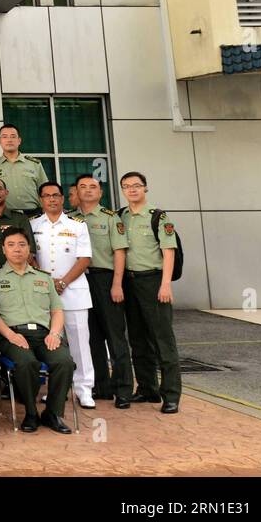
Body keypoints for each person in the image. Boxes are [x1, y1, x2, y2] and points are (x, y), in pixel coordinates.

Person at [0, 230, 74, 433]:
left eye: (22, 244)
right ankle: (31, 413)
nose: (17, 249)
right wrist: (11, 335)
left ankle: (53, 413)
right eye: (11, 244)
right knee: (27, 363)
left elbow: (57, 310)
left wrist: (54, 333)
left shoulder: (44, 277)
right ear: (3, 249)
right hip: (11, 335)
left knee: (64, 361)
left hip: (44, 335)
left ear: (29, 248)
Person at [117, 171, 181, 414]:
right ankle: (147, 388)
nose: (132, 190)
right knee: (138, 338)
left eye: (136, 186)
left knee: (162, 339)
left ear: (145, 188)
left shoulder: (158, 217)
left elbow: (169, 252)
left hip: (153, 281)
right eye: (127, 186)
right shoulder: (121, 216)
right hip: (130, 283)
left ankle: (171, 395)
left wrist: (166, 284)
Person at [30, 181, 95, 408]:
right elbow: (31, 258)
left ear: (63, 198)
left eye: (56, 195)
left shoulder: (77, 225)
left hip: (74, 291)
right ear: (41, 200)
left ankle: (84, 388)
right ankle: (58, 389)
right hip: (45, 293)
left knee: (79, 343)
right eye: (46, 196)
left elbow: (85, 258)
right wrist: (49, 284)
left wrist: (64, 282)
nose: (52, 199)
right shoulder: (34, 225)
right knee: (53, 343)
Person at [71, 174, 132, 408]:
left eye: (93, 187)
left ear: (101, 192)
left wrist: (117, 284)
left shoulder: (110, 218)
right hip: (80, 280)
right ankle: (101, 386)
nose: (87, 190)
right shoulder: (71, 219)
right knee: (92, 337)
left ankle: (124, 389)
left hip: (105, 279)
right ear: (76, 191)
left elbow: (120, 251)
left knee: (115, 336)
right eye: (82, 187)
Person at [0, 124, 48, 213]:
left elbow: (45, 190)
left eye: (13, 136)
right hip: (5, 215)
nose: (9, 140)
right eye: (5, 137)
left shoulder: (34, 164)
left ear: (19, 140)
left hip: (33, 214)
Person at [0, 176, 37, 271]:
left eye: (0, 188)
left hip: (14, 275)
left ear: (6, 193)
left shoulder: (20, 218)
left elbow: (29, 252)